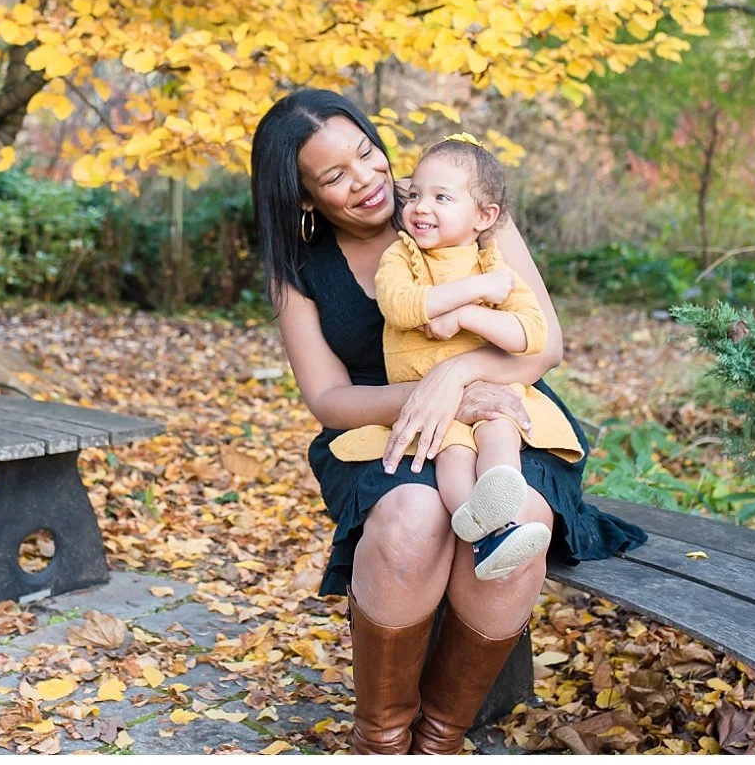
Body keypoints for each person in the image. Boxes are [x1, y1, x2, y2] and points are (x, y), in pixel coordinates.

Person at [250, 88, 646, 754]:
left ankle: (440, 738)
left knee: (520, 514)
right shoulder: (297, 269)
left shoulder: (456, 196)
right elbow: (328, 398)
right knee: (413, 521)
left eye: (367, 154)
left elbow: (544, 342)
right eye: (335, 177)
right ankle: (380, 738)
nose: (368, 180)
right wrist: (421, 399)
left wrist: (456, 376)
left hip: (498, 405)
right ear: (305, 198)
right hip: (381, 428)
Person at [329, 133, 585, 584]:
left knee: (502, 431)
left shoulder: (491, 264)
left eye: (441, 198)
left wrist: (469, 315)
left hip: (491, 393)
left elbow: (531, 333)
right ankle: (477, 524)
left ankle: (498, 522)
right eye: (417, 195)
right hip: (433, 401)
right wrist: (476, 294)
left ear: (483, 217)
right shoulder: (402, 257)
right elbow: (401, 305)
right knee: (450, 451)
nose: (421, 207)